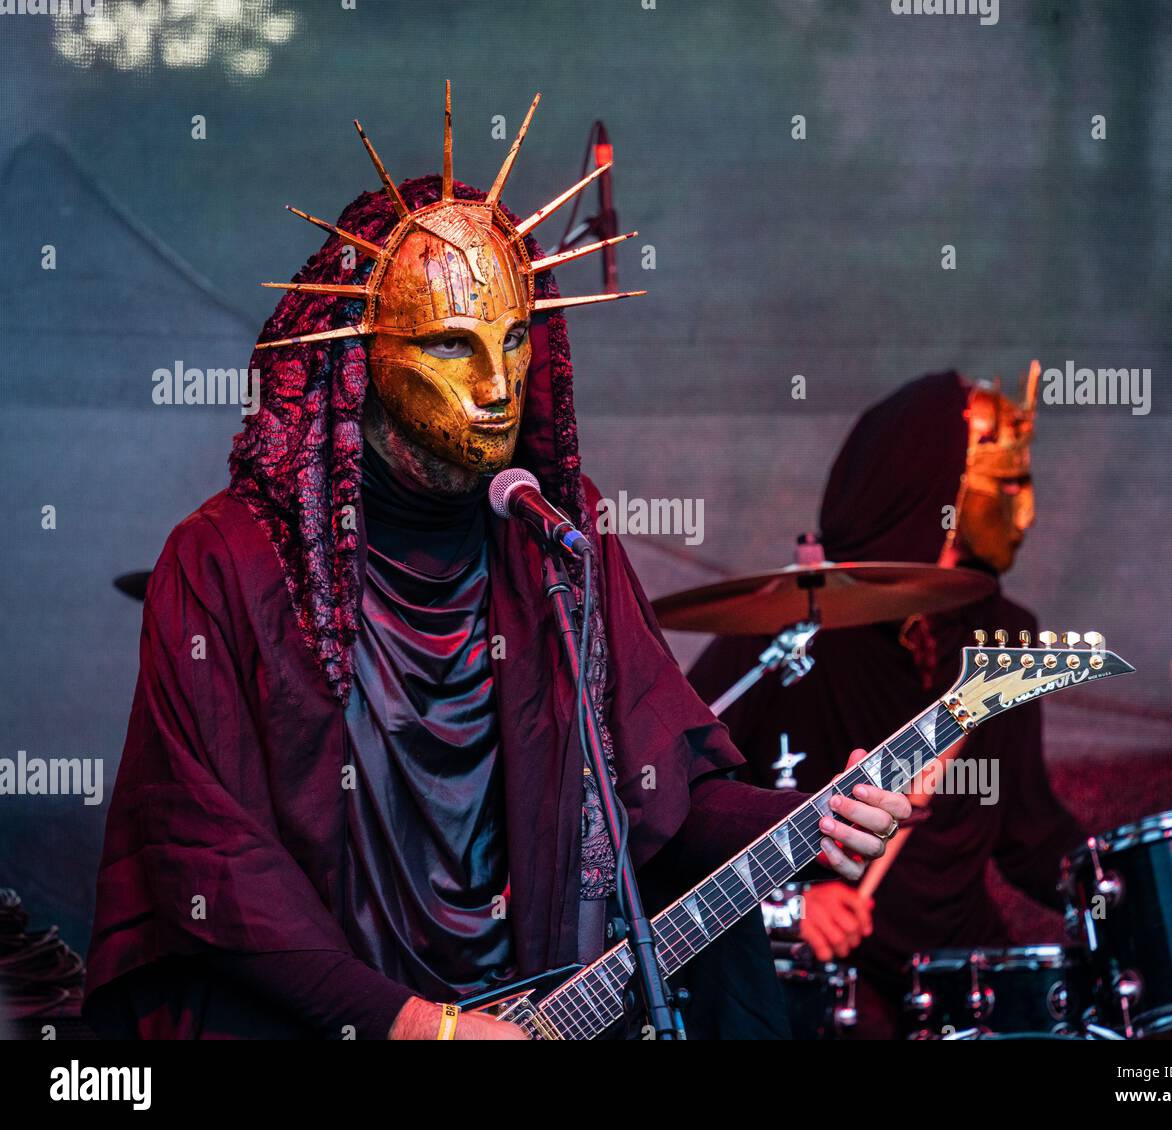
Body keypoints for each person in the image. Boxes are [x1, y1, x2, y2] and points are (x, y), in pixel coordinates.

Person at [82, 87, 909, 1040]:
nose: (495, 386)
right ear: (358, 354)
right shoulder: (226, 560)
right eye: (448, 344)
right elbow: (211, 866)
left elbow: (660, 799)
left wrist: (810, 818)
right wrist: (411, 1026)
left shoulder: (554, 534)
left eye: (513, 340)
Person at [688, 368, 1083, 1038]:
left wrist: (1144, 885)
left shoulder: (1005, 638)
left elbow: (1028, 835)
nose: (1028, 510)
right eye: (1007, 484)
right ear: (939, 495)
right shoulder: (790, 631)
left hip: (967, 982)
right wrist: (787, 907)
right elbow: (679, 806)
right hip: (828, 989)